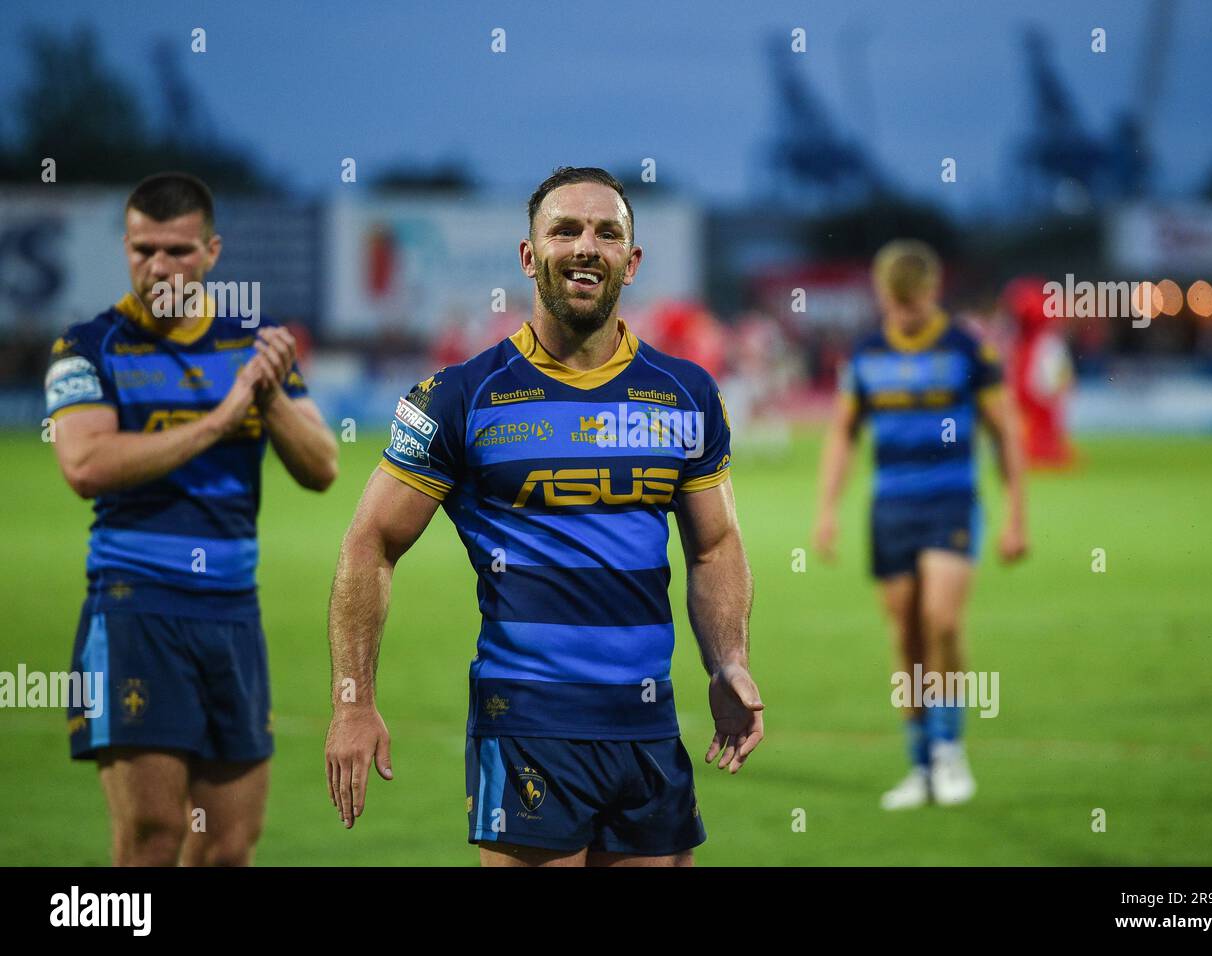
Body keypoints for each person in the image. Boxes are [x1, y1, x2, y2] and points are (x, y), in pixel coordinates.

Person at [325, 167, 764, 866]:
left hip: (649, 729)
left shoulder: (686, 395)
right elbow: (369, 543)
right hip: (527, 728)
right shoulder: (459, 397)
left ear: (632, 259)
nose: (586, 246)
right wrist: (353, 701)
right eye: (565, 230)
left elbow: (714, 548)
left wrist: (727, 664)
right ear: (529, 257)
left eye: (607, 233)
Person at [46, 172, 338, 864]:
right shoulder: (88, 348)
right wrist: (219, 421)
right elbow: (85, 466)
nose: (159, 267)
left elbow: (323, 466)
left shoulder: (253, 348)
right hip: (134, 608)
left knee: (228, 845)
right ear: (125, 249)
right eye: (143, 249)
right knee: (153, 838)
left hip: (234, 613)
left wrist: (265, 399)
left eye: (177, 251)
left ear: (211, 251)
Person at [813, 239, 1026, 809]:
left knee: (943, 621)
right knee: (905, 635)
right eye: (894, 304)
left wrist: (1016, 517)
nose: (903, 315)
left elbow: (1006, 431)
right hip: (890, 509)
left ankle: (951, 748)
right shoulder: (866, 354)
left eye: (912, 304)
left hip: (952, 503)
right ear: (883, 296)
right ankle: (921, 765)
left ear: (933, 293)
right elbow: (842, 432)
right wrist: (828, 509)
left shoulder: (967, 350)